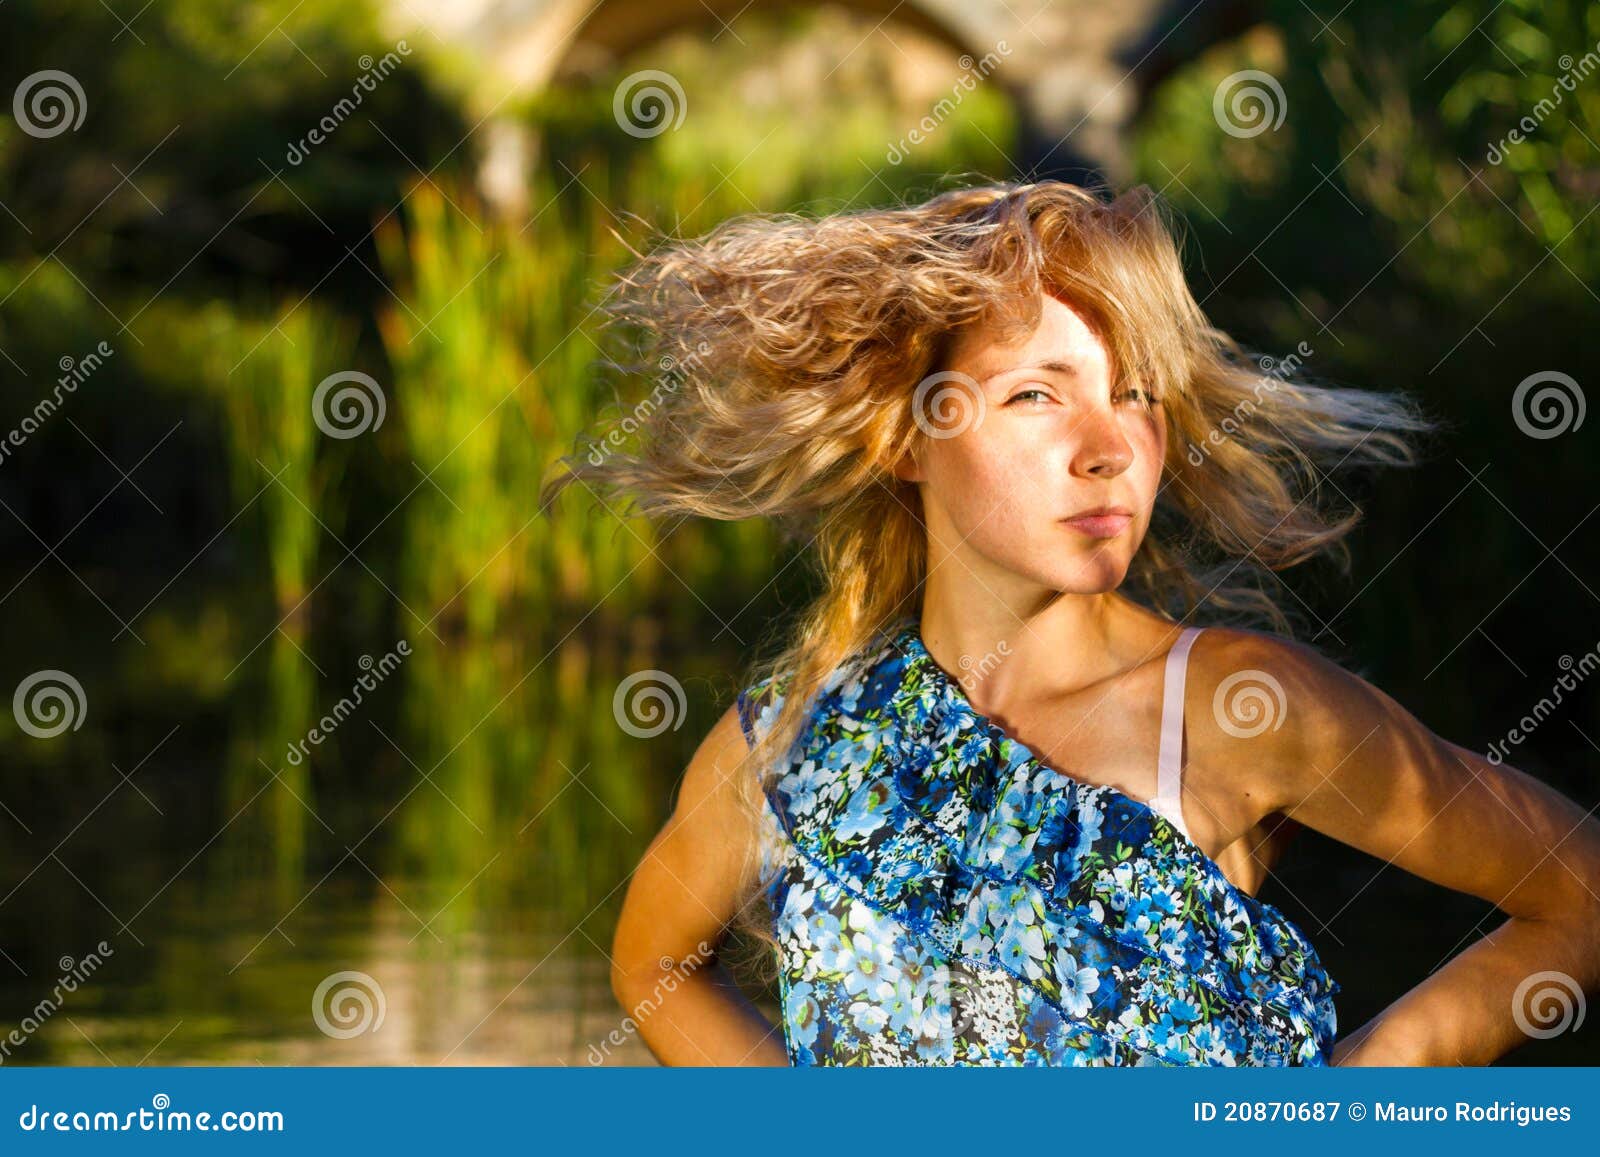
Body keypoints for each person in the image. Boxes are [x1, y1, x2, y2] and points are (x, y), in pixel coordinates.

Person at [544, 179, 1600, 1066]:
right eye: (1036, 396)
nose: (1106, 447)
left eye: (1135, 392)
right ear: (907, 440)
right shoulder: (786, 746)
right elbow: (651, 965)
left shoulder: (1238, 709)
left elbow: (1578, 891)